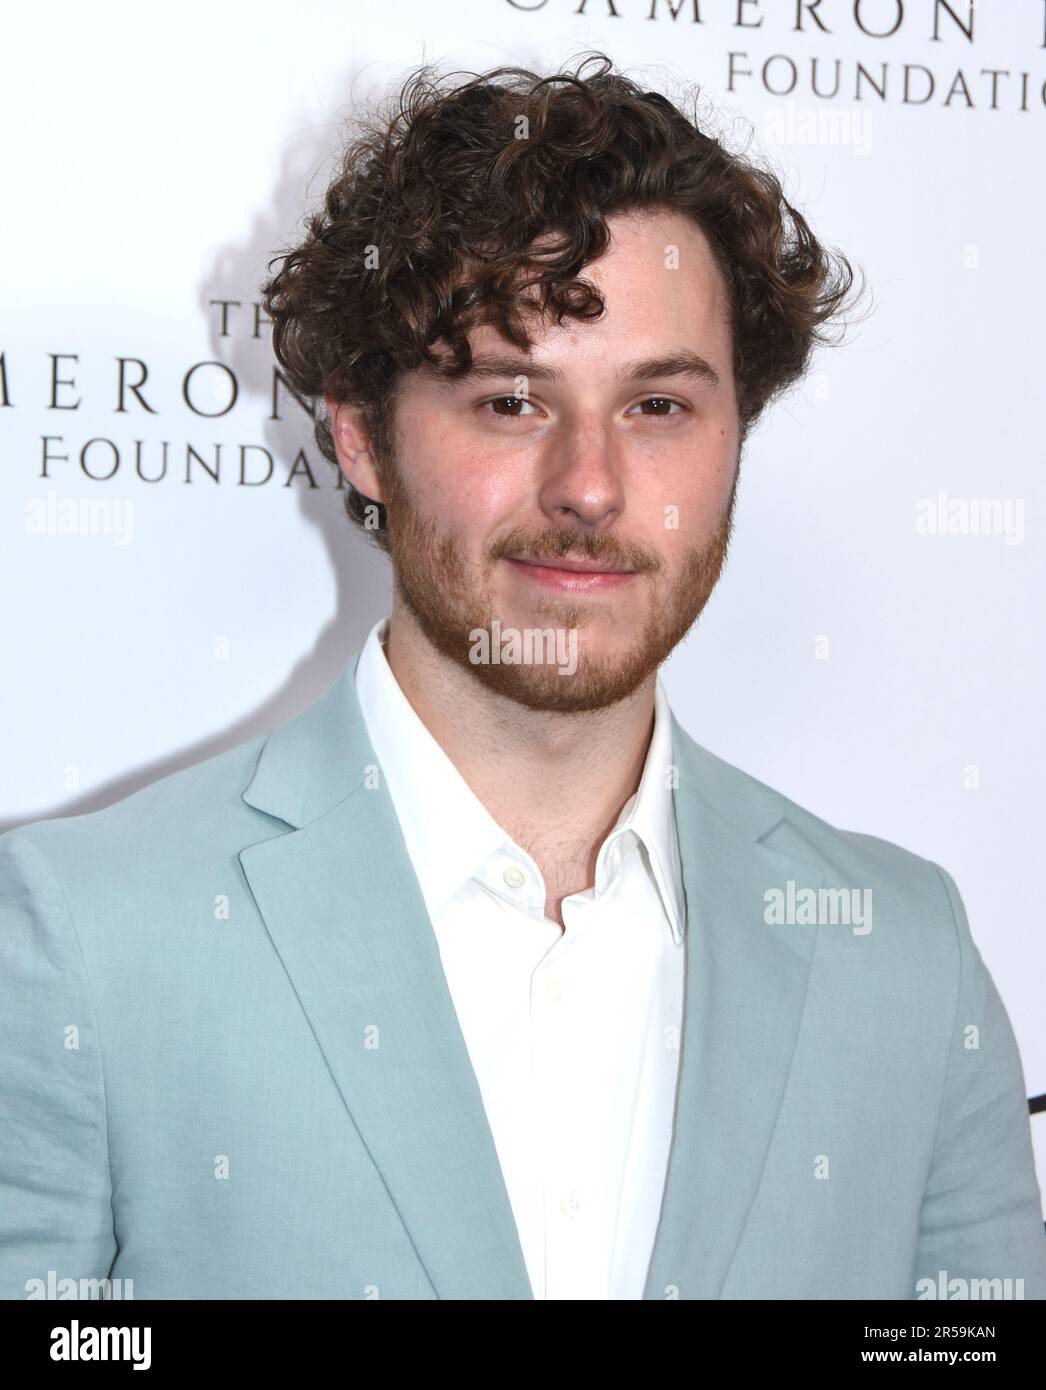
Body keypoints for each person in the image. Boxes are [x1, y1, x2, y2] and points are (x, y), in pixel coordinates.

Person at [2, 53, 1043, 1301]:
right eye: (509, 400)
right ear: (360, 435)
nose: (589, 485)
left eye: (657, 407)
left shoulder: (904, 958)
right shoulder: (86, 937)